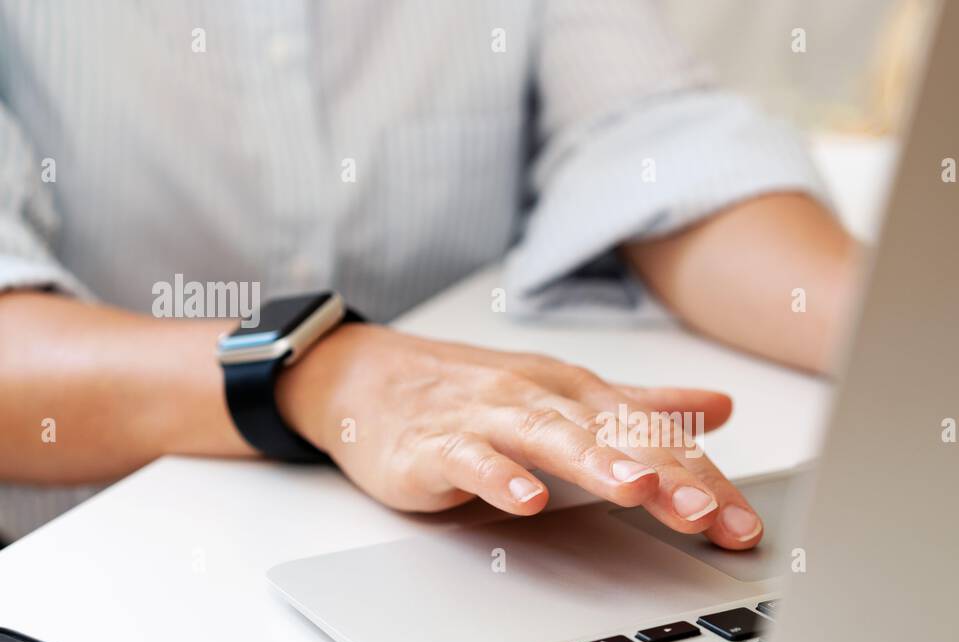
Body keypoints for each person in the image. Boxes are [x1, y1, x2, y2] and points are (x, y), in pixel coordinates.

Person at [0, 0, 859, 549]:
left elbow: (654, 143)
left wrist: (916, 336)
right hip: (91, 591)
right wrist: (332, 375)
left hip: (464, 545)